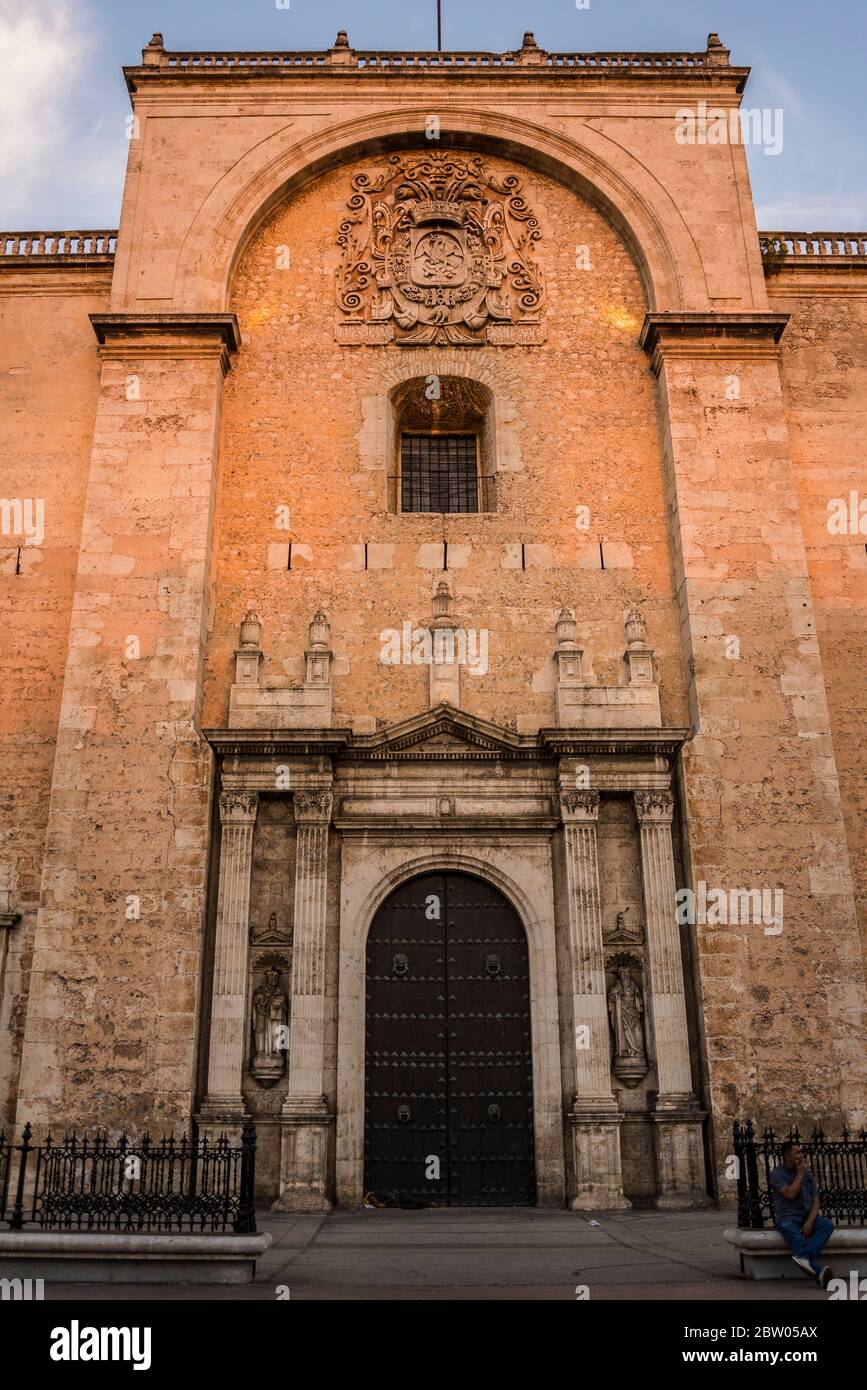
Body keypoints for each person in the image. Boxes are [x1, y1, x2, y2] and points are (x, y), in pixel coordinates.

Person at [769, 1140, 835, 1287]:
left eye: (801, 1152)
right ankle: (819, 1272)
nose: (802, 1155)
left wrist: (810, 1222)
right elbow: (790, 1194)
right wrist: (799, 1175)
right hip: (787, 1218)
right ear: (787, 1156)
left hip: (805, 1216)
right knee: (798, 1240)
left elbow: (815, 1200)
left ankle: (803, 1257)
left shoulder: (808, 1173)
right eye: (797, 1152)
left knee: (827, 1226)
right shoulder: (777, 1174)